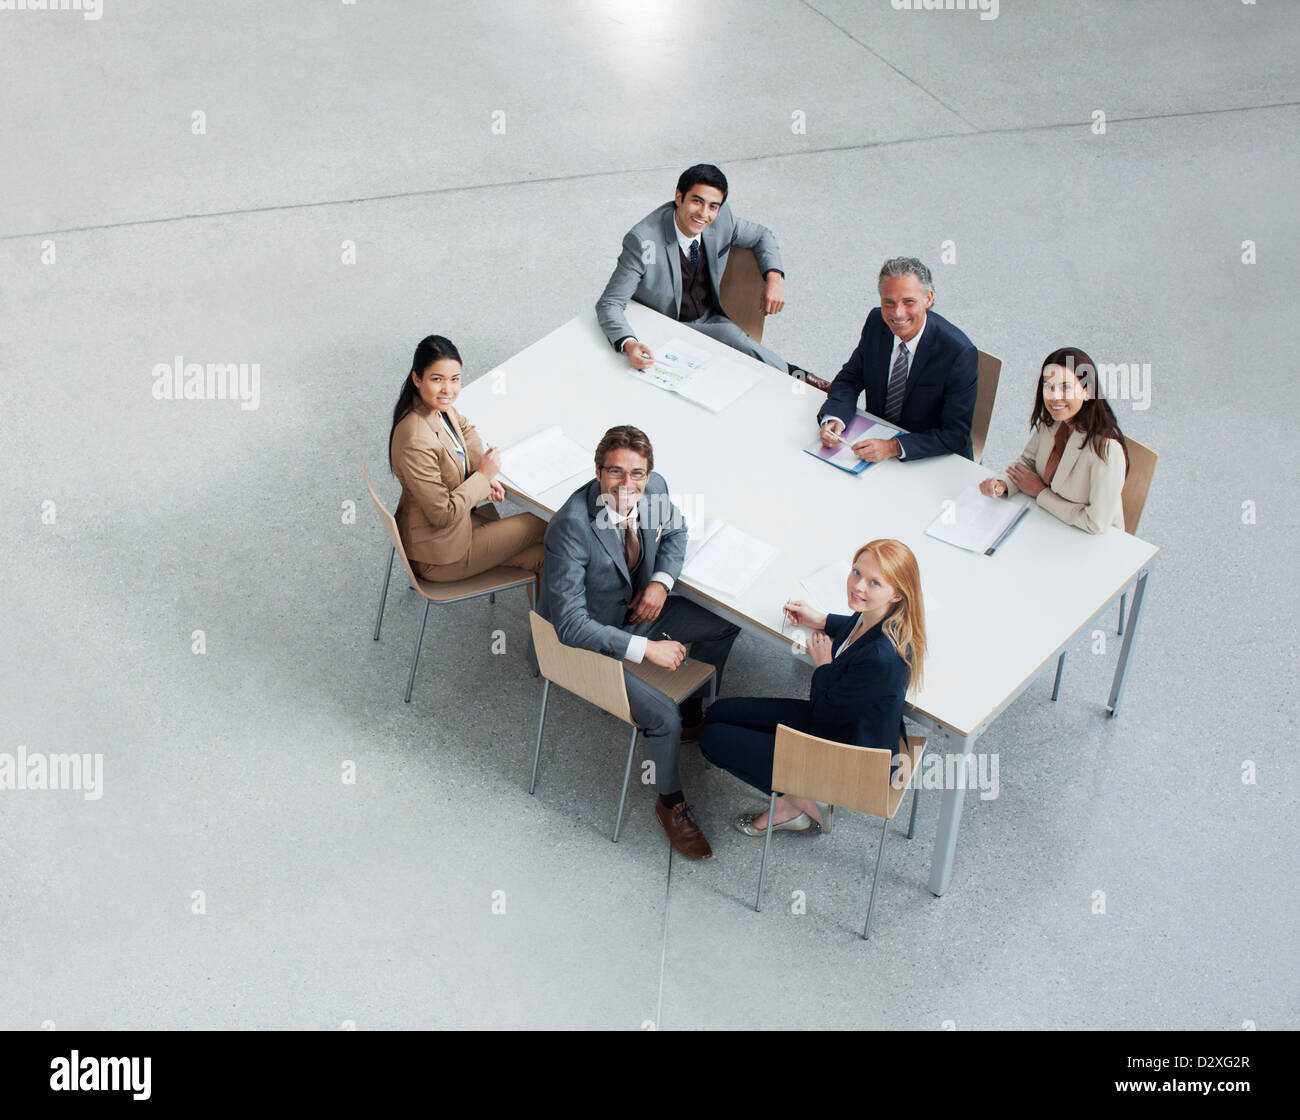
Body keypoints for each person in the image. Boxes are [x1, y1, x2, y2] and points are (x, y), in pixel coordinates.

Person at [538, 425, 740, 860]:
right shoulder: (572, 527)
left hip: (638, 610)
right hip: (586, 643)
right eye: (615, 472)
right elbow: (570, 626)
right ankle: (670, 804)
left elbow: (677, 534)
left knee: (725, 626)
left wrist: (661, 585)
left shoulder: (654, 490)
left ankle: (692, 715)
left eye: (637, 474)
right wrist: (647, 651)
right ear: (597, 471)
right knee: (660, 714)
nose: (627, 485)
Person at [700, 540, 925, 836]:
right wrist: (821, 619)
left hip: (852, 759)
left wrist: (823, 664)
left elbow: (822, 711)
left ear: (896, 593)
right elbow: (856, 625)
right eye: (856, 572)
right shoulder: (875, 615)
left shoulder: (882, 658)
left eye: (874, 583)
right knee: (719, 711)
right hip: (839, 724)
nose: (858, 587)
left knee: (713, 739)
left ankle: (795, 802)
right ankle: (795, 795)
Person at [596, 163, 822, 386]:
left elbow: (762, 235)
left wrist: (774, 279)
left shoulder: (722, 220)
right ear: (678, 197)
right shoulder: (644, 241)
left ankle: (801, 379)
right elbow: (610, 303)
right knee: (732, 341)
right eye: (697, 201)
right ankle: (798, 376)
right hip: (664, 328)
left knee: (738, 356)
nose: (704, 214)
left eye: (713, 206)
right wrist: (629, 343)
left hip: (710, 320)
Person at [389, 335, 545, 582]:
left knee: (544, 556)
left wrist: (481, 473)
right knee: (543, 524)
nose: (448, 390)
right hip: (439, 554)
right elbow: (443, 515)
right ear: (417, 378)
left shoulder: (437, 407)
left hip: (453, 532)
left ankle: (549, 621)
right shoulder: (416, 439)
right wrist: (482, 477)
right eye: (437, 379)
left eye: (455, 379)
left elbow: (466, 429)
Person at [818, 257, 978, 462]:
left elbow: (955, 434)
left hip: (931, 457)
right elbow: (850, 378)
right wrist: (835, 417)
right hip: (873, 443)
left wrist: (893, 447)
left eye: (908, 302)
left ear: (928, 299)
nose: (897, 313)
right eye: (889, 303)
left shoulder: (959, 353)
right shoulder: (877, 322)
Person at [979, 347, 1128, 533]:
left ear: (1087, 392)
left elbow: (1095, 523)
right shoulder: (1054, 422)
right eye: (1049, 387)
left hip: (1088, 541)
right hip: (1050, 526)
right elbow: (1027, 464)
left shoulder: (1106, 449)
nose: (1054, 397)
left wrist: (1041, 493)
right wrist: (1001, 484)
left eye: (1065, 387)